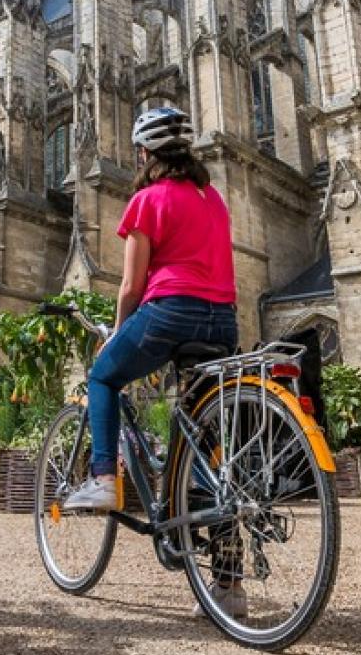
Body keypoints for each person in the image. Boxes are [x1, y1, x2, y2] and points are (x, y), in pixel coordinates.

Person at [65, 106, 238, 513]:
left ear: (144, 154)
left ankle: (104, 479)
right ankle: (220, 552)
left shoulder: (147, 200)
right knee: (201, 414)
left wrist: (115, 335)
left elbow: (131, 286)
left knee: (103, 379)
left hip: (171, 313)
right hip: (223, 320)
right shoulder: (213, 199)